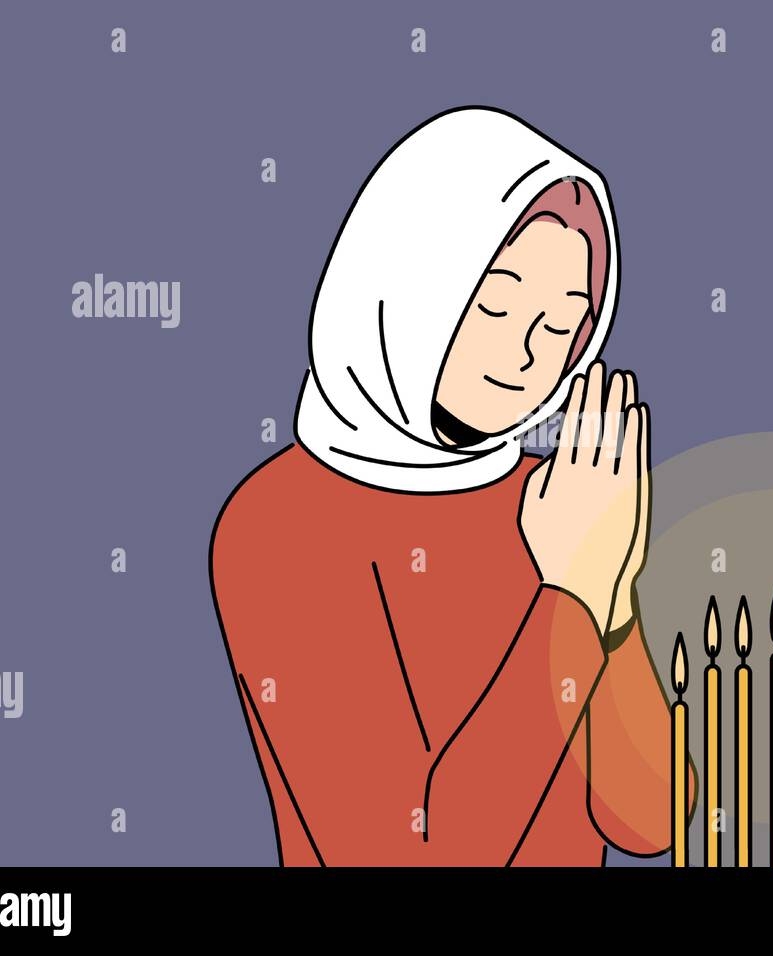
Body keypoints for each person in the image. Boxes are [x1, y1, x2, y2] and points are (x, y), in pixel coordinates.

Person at [210, 107, 697, 866]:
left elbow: (650, 819)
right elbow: (411, 849)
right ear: (403, 283)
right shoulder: (276, 525)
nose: (528, 352)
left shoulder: (556, 502)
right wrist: (568, 594)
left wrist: (613, 598)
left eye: (564, 323)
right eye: (496, 301)